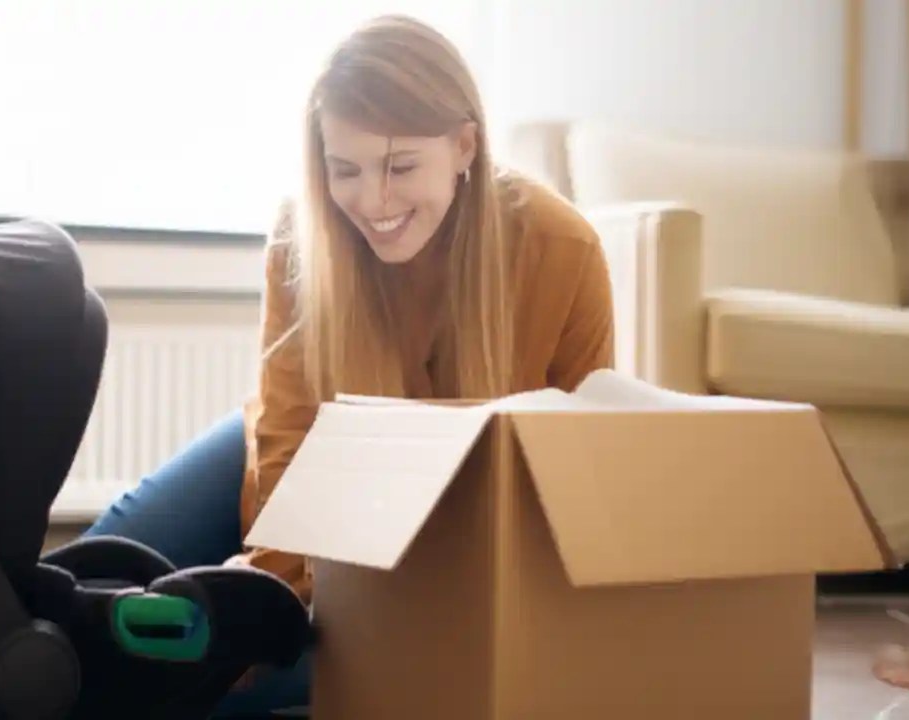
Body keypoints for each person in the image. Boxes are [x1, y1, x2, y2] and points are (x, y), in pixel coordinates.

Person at [82, 14, 614, 717]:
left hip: (442, 547)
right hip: (311, 470)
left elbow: (583, 481)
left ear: (463, 146)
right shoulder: (302, 234)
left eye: (400, 167)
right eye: (345, 170)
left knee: (194, 687)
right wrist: (271, 587)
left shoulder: (562, 249)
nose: (373, 201)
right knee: (84, 585)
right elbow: (286, 429)